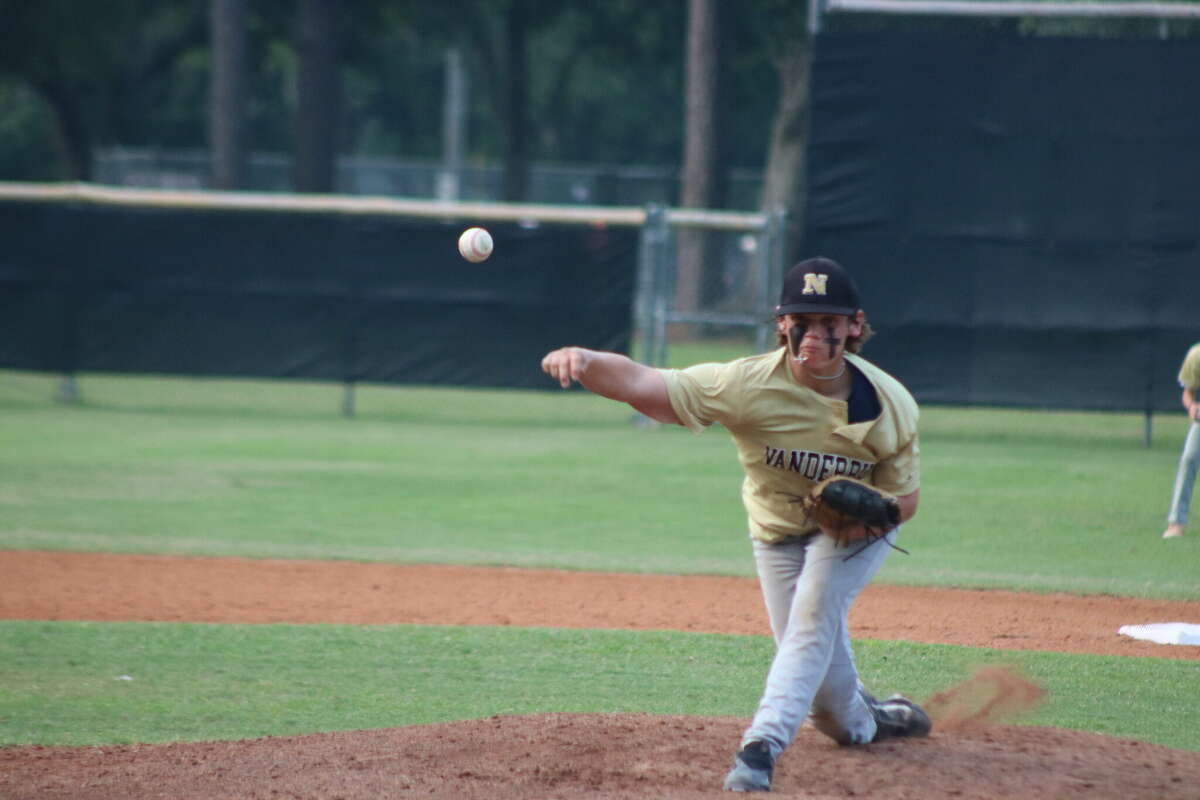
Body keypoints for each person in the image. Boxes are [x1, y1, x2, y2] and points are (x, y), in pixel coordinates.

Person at [541, 256, 930, 793]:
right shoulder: (746, 385)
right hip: (774, 533)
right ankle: (872, 717)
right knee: (832, 713)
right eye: (802, 320)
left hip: (853, 536)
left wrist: (873, 517)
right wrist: (584, 360)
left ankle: (760, 747)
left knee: (813, 618)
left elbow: (905, 502)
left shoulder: (890, 405)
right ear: (781, 323)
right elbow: (646, 383)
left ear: (854, 326)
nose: (814, 333)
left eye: (829, 323)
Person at [1162, 342, 1200, 539]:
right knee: (1189, 457)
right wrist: (1192, 407)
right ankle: (1176, 522)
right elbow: (1188, 392)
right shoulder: (1197, 355)